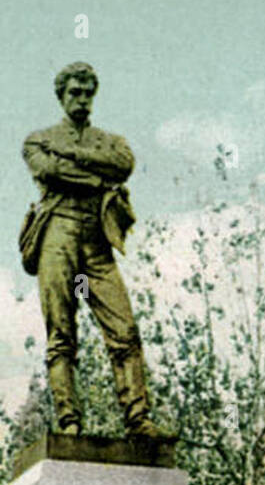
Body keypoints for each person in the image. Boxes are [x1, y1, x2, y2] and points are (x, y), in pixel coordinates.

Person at [21, 62, 163, 438]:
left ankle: (137, 419)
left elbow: (124, 165)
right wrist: (98, 178)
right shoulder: (38, 139)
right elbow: (49, 173)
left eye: (87, 92)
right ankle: (69, 421)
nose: (82, 99)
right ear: (61, 95)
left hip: (97, 240)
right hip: (58, 233)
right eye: (74, 92)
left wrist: (74, 157)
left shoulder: (108, 140)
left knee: (124, 329)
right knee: (62, 332)